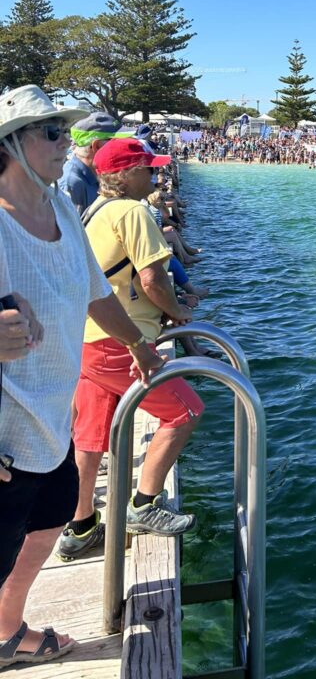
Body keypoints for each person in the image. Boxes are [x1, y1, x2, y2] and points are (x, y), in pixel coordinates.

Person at [0, 85, 164, 667]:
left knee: (44, 532)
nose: (64, 141)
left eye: (64, 131)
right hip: (4, 438)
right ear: (12, 142)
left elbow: (96, 292)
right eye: (50, 132)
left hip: (51, 419)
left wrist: (139, 345)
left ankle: (7, 632)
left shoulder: (64, 208)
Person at [59, 138, 204, 561]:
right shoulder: (133, 211)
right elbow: (152, 280)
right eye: (147, 169)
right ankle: (143, 505)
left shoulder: (95, 211)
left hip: (87, 336)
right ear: (124, 175)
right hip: (120, 340)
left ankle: (81, 523)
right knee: (186, 410)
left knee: (89, 438)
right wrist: (178, 314)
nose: (156, 176)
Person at [59, 112, 129, 216]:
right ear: (96, 146)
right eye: (116, 143)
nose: (122, 149)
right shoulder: (72, 183)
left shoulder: (95, 174)